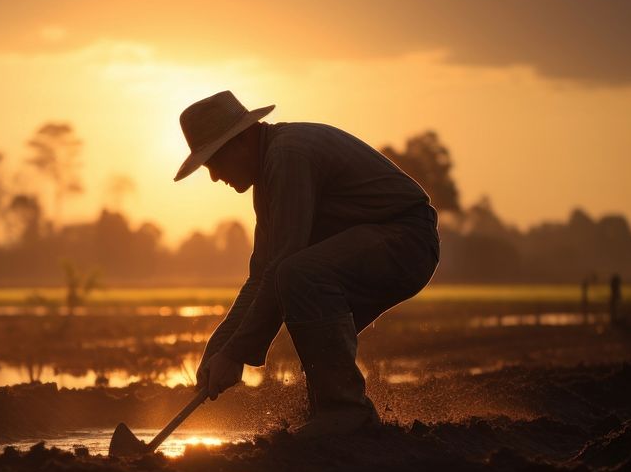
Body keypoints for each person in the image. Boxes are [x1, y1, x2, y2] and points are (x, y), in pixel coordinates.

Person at [174, 91, 440, 435]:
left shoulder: (287, 156)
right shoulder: (269, 176)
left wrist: (237, 352)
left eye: (214, 162)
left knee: (299, 277)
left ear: (241, 140)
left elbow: (285, 261)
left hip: (407, 240)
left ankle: (345, 413)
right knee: (307, 316)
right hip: (380, 242)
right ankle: (332, 412)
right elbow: (260, 278)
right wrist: (221, 348)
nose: (213, 176)